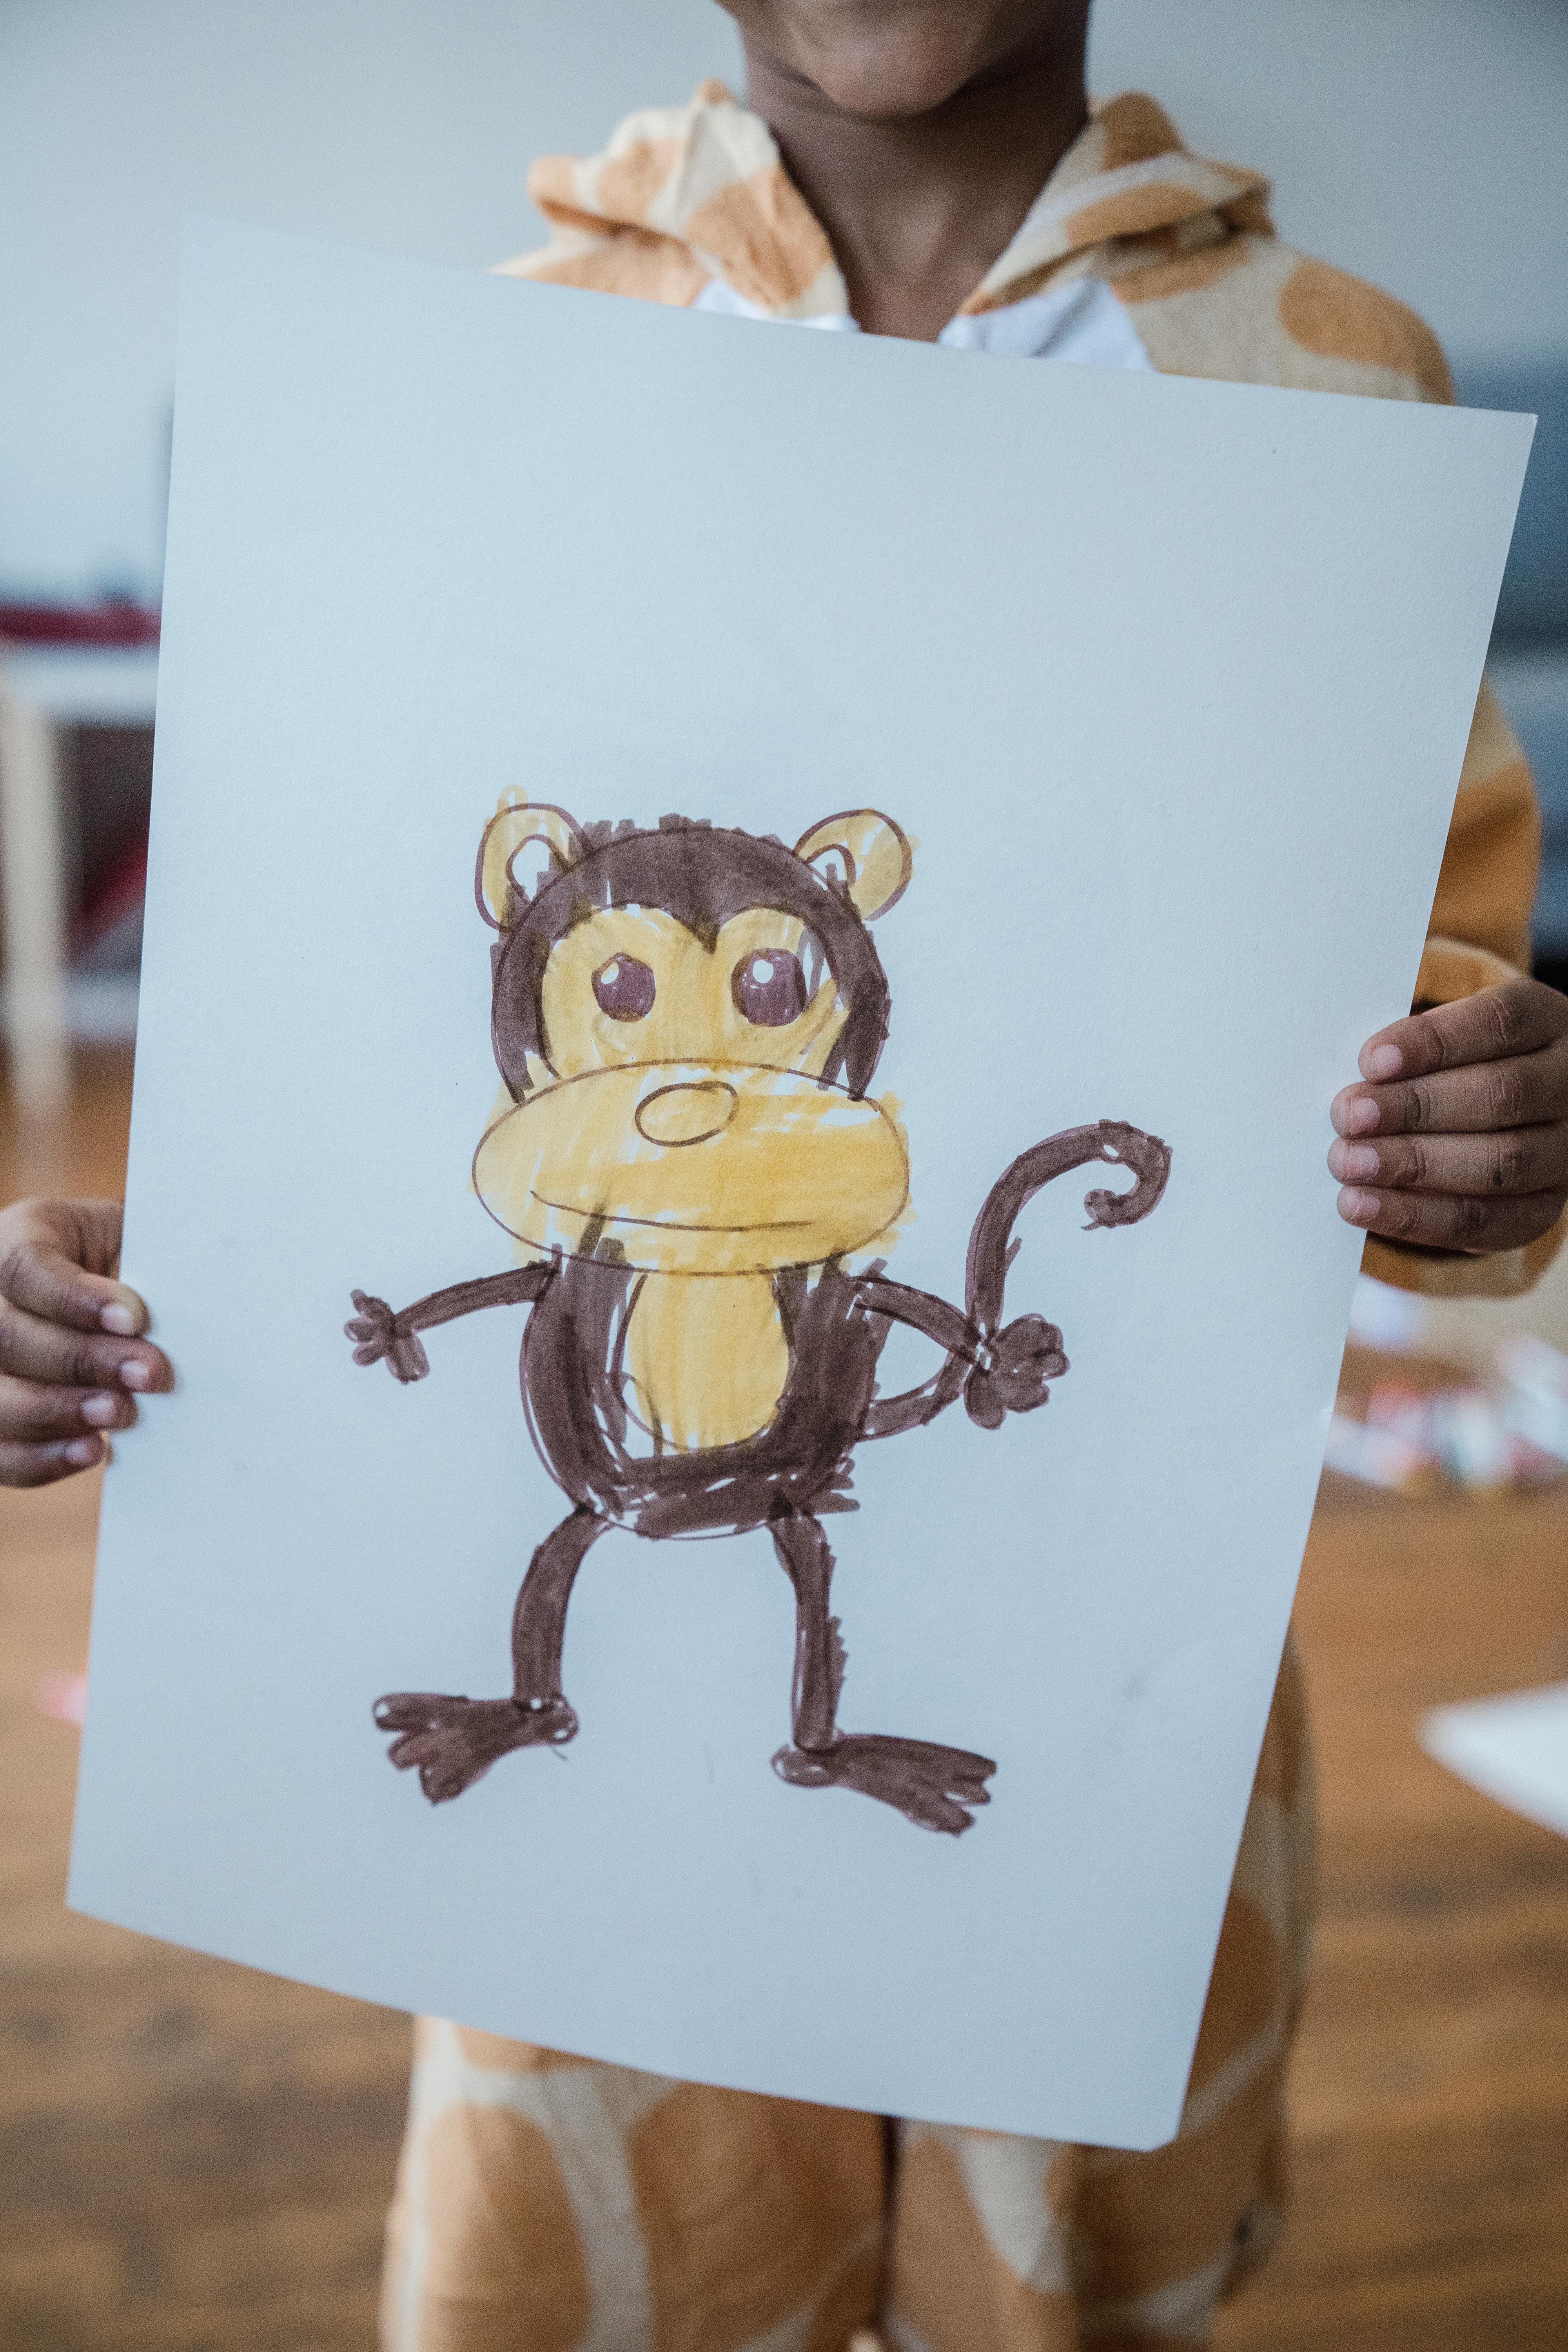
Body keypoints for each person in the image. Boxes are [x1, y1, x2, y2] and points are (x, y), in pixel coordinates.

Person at [4, 4, 1567, 2344]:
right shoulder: (477, 388)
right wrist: (148, 1292)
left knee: (1048, 2264)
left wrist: (1498, 1131)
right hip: (570, 1844)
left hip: (1099, 1688)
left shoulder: (1323, 383)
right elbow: (335, 1066)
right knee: (615, 2235)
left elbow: (1441, 999)